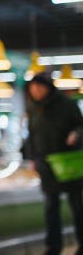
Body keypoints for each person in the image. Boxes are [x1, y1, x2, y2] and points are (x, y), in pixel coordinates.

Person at [24, 71, 83, 255]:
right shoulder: (32, 108)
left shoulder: (67, 104)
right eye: (33, 89)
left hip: (68, 162)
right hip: (46, 164)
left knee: (78, 207)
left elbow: (81, 125)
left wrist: (76, 134)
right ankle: (53, 247)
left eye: (39, 88)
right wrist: (32, 158)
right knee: (51, 208)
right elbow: (32, 135)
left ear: (49, 88)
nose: (36, 92)